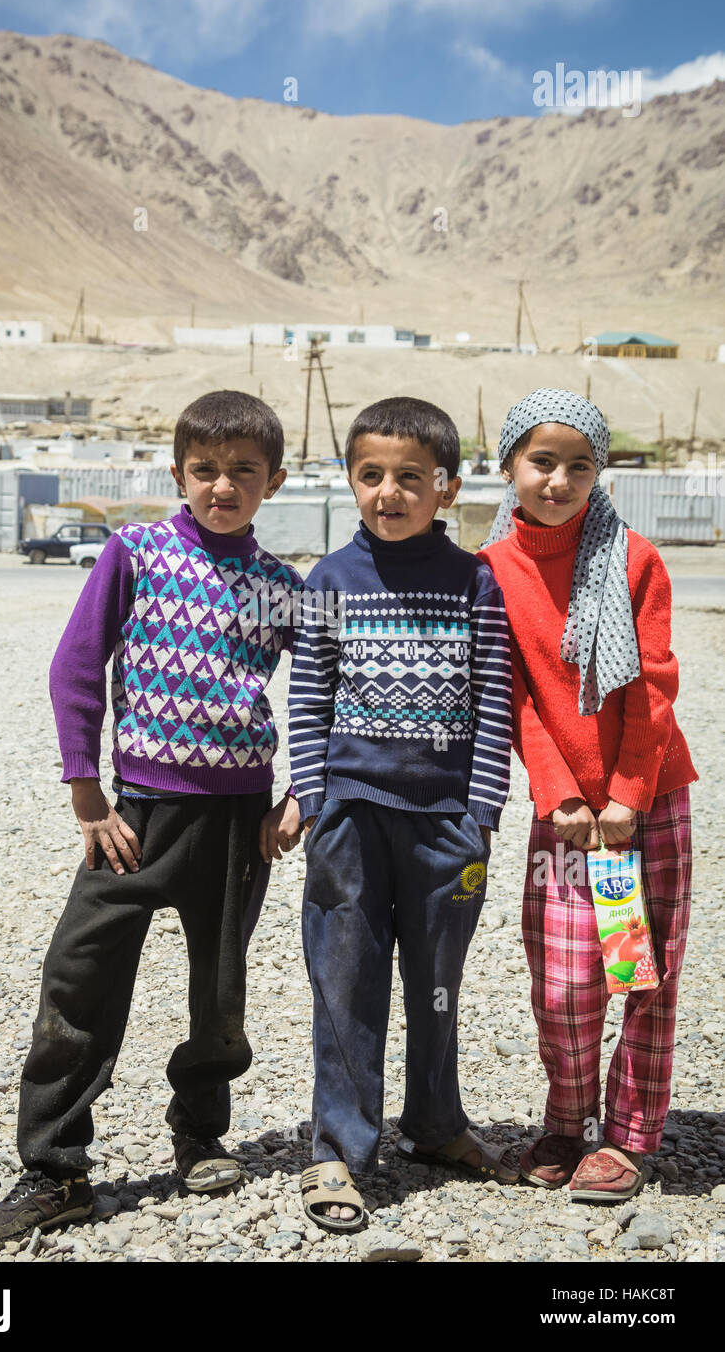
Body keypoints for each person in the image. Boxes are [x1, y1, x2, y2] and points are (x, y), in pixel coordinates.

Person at [0, 389, 303, 1256]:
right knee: (81, 972)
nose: (222, 487)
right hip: (136, 816)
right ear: (178, 472)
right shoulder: (136, 551)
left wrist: (309, 791)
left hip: (238, 822)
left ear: (276, 480)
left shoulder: (280, 586)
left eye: (243, 472)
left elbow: (337, 684)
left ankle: (200, 1133)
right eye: (205, 470)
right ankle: (54, 1168)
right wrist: (85, 787)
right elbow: (77, 663)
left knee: (219, 990)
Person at [287, 396, 516, 1233]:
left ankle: (436, 1125)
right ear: (350, 479)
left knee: (439, 987)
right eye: (371, 475)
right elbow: (308, 697)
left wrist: (482, 810)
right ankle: (339, 1149)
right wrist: (314, 797)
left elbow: (496, 700)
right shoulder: (327, 581)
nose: (390, 492)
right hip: (349, 820)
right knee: (345, 983)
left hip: (447, 825)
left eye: (410, 478)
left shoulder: (475, 582)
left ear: (447, 489)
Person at [479, 388, 697, 1202]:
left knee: (640, 972)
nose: (560, 479)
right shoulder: (492, 571)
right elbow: (518, 695)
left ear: (599, 471)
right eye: (543, 461)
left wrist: (630, 794)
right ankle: (567, 1119)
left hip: (648, 801)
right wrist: (560, 792)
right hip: (566, 815)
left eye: (580, 464)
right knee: (565, 981)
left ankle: (631, 1137)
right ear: (508, 466)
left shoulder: (636, 559)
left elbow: (652, 686)